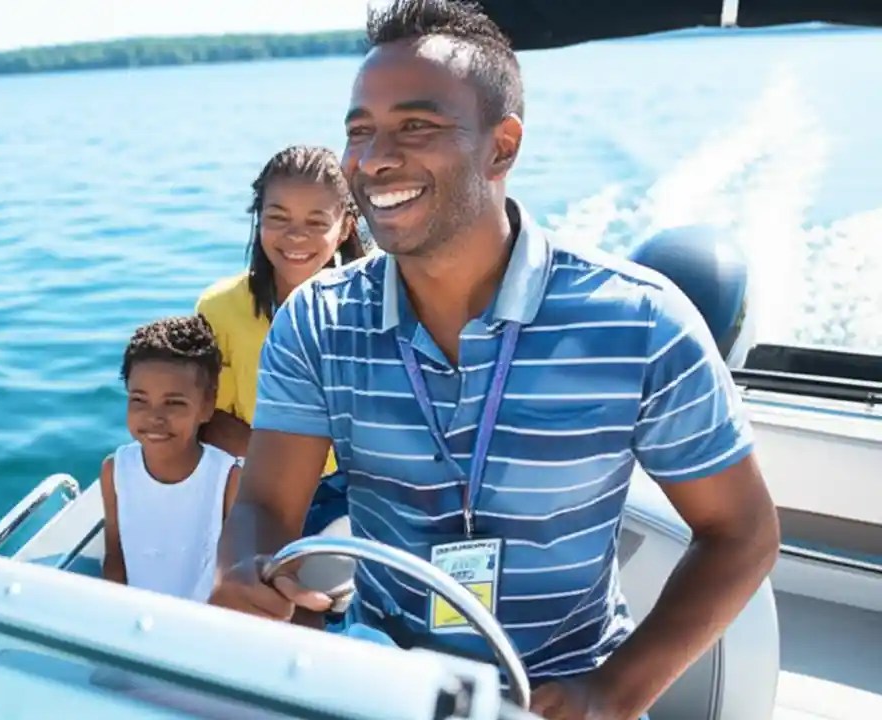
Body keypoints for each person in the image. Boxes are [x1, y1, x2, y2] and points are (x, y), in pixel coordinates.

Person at [208, 2, 781, 719]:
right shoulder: (317, 321)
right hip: (382, 679)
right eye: (360, 131)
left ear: (501, 146)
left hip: (565, 688)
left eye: (415, 126)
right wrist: (242, 568)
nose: (374, 158)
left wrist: (614, 692)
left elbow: (744, 533)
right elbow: (266, 504)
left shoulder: (641, 320)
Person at [194, 145, 368, 536]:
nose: (295, 236)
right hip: (252, 491)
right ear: (258, 220)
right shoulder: (218, 307)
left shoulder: (374, 310)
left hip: (357, 499)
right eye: (278, 217)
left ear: (345, 228)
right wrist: (285, 471)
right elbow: (208, 418)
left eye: (316, 222)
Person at [100, 315, 241, 603]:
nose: (155, 417)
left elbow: (232, 572)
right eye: (139, 400)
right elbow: (115, 556)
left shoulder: (227, 479)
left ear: (207, 406)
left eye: (174, 403)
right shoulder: (116, 470)